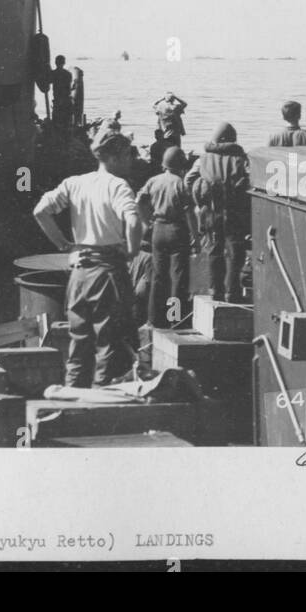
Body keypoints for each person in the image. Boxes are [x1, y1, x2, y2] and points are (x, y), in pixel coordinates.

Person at [32, 124, 142, 387]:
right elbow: (134, 221)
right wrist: (131, 250)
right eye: (127, 155)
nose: (130, 160)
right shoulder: (118, 186)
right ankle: (104, 400)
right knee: (109, 344)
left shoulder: (75, 183)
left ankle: (73, 397)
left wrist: (64, 245)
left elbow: (40, 211)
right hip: (108, 273)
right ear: (113, 157)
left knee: (79, 342)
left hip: (79, 274)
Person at [136, 147, 202, 329]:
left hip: (158, 231)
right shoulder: (180, 183)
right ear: (181, 164)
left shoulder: (153, 181)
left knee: (158, 276)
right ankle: (175, 318)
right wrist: (195, 238)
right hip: (177, 231)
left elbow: (139, 201)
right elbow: (189, 213)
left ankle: (154, 319)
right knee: (178, 277)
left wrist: (147, 222)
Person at [185, 122, 250, 305]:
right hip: (234, 213)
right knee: (236, 252)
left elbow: (188, 180)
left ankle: (216, 291)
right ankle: (233, 292)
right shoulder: (241, 159)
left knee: (214, 250)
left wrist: (197, 203)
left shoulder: (203, 159)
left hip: (210, 212)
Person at [50, 55, 73, 129]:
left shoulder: (53, 74)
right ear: (64, 63)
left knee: (56, 124)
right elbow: (68, 89)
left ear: (55, 63)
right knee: (67, 124)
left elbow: (46, 83)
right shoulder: (68, 74)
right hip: (66, 101)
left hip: (57, 102)